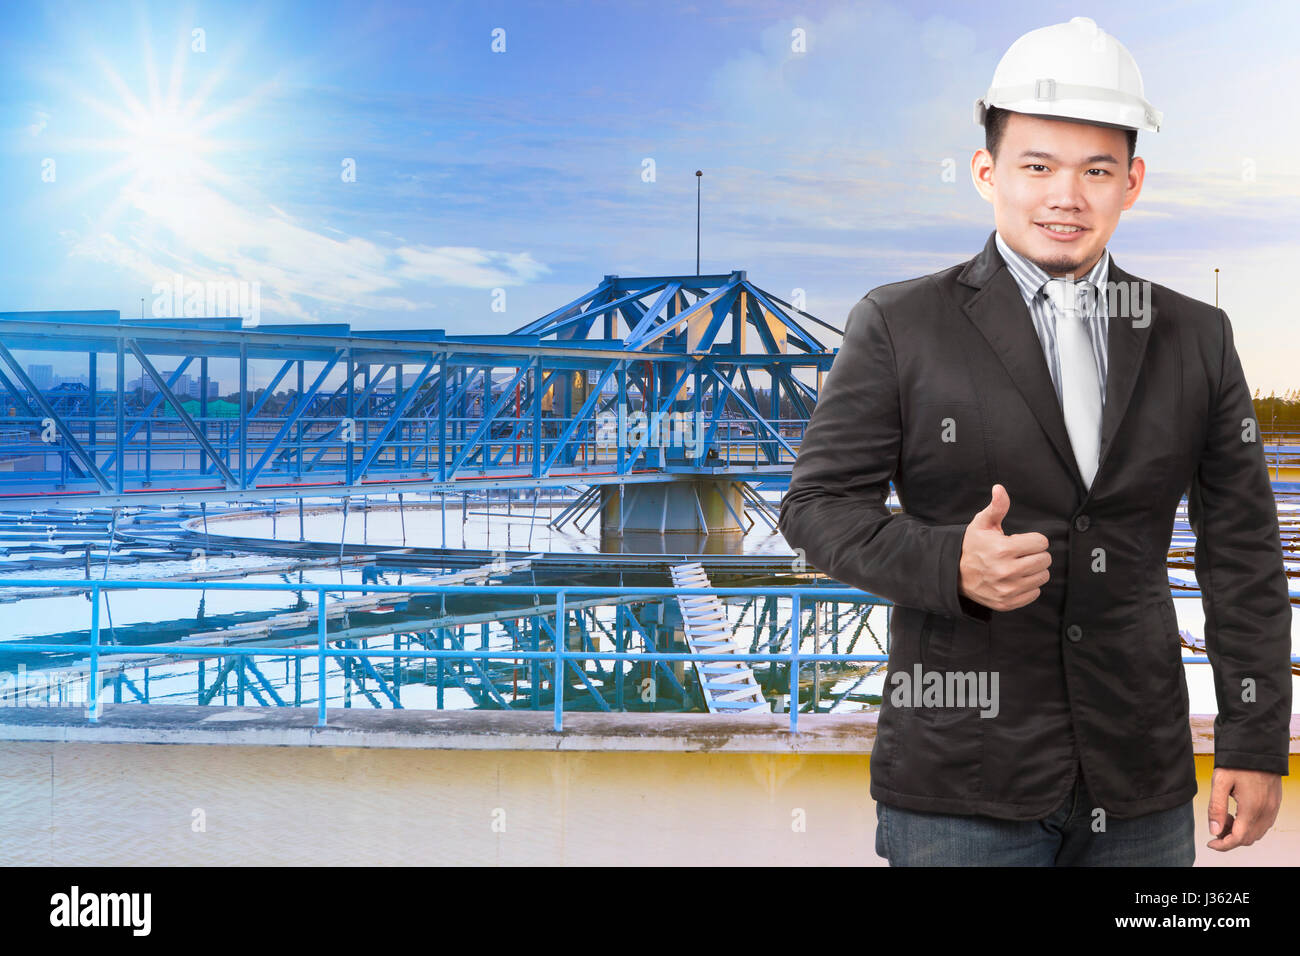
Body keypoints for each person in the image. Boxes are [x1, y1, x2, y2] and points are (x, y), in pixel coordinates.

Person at [777, 17, 1291, 866]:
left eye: (1097, 170)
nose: (1067, 196)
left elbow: (1241, 549)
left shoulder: (1194, 336)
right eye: (1038, 166)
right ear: (987, 172)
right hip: (959, 787)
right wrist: (950, 565)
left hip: (1140, 784)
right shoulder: (900, 323)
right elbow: (816, 509)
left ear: (1134, 181)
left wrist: (1254, 734)